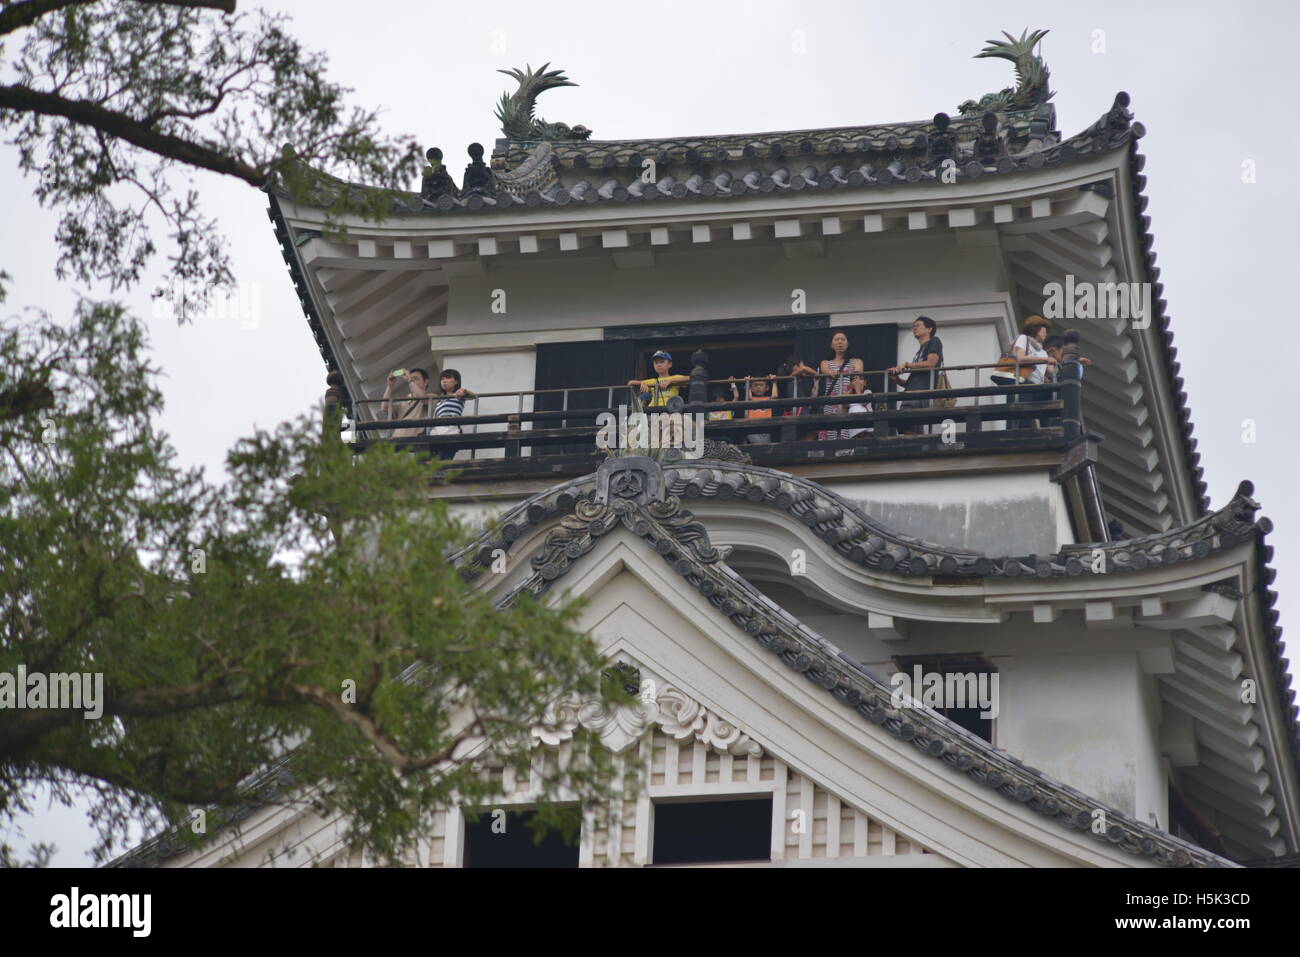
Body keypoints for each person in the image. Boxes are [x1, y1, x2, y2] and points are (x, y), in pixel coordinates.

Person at [888, 316, 943, 435]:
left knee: (906, 419)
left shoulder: (934, 341)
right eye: (913, 326)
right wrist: (896, 379)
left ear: (929, 329)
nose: (914, 328)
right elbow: (909, 383)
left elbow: (931, 363)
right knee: (909, 425)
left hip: (921, 392)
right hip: (911, 392)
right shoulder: (919, 351)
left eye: (918, 325)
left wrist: (907, 365)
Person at [1007, 316, 1055, 428]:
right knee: (1025, 416)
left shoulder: (1043, 352)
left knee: (1047, 401)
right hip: (1024, 382)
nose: (1046, 334)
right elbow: (1020, 358)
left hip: (1038, 385)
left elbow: (1050, 370)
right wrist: (1046, 360)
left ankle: (1044, 429)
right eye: (1044, 331)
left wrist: (1052, 357)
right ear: (1036, 329)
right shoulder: (1024, 339)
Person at [816, 330, 864, 441]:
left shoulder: (856, 361)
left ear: (848, 343)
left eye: (843, 339)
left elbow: (858, 375)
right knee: (830, 435)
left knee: (846, 434)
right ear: (831, 345)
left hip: (848, 402)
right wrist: (831, 372)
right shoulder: (825, 363)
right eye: (836, 340)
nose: (840, 342)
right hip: (831, 404)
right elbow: (826, 370)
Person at [429, 368, 475, 460]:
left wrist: (464, 391)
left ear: (456, 381)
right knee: (438, 460)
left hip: (451, 429)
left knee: (443, 459)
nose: (444, 381)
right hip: (438, 430)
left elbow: (473, 396)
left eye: (448, 378)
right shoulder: (440, 400)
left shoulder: (458, 396)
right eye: (442, 379)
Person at [381, 367, 432, 439]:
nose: (412, 382)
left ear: (425, 382)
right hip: (397, 441)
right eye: (412, 379)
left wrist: (409, 379)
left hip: (416, 442)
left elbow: (424, 399)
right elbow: (384, 408)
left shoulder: (431, 396)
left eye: (416, 379)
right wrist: (390, 386)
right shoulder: (404, 401)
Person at [730, 374, 776, 444]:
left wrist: (774, 382)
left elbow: (775, 396)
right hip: (752, 426)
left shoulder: (768, 398)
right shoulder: (751, 399)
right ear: (751, 389)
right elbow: (748, 396)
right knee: (760, 445)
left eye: (761, 385)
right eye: (755, 385)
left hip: (766, 426)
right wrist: (748, 383)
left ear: (767, 388)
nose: (758, 387)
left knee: (767, 444)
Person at [841, 374, 875, 439]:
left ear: (865, 382)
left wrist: (857, 389)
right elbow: (844, 405)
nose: (858, 382)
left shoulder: (867, 392)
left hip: (866, 427)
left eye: (861, 379)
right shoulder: (849, 395)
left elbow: (863, 402)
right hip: (854, 427)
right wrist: (851, 390)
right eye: (854, 380)